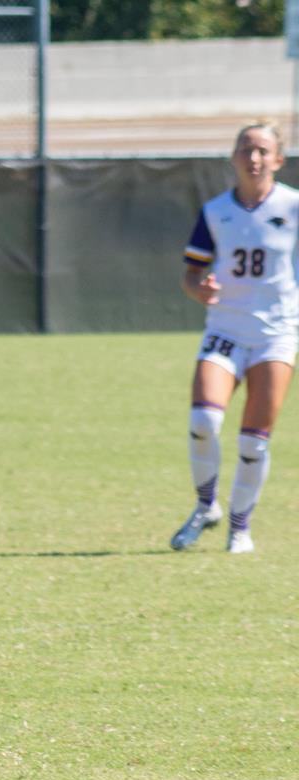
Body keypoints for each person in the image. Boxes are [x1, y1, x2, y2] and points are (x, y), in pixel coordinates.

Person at [171, 121, 298, 554]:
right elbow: (191, 273)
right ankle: (207, 506)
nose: (254, 157)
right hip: (226, 328)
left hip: (275, 334)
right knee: (203, 422)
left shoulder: (294, 207)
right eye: (246, 148)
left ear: (279, 160)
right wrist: (199, 288)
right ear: (233, 156)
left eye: (263, 150)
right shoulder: (215, 211)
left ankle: (240, 528)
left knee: (253, 440)